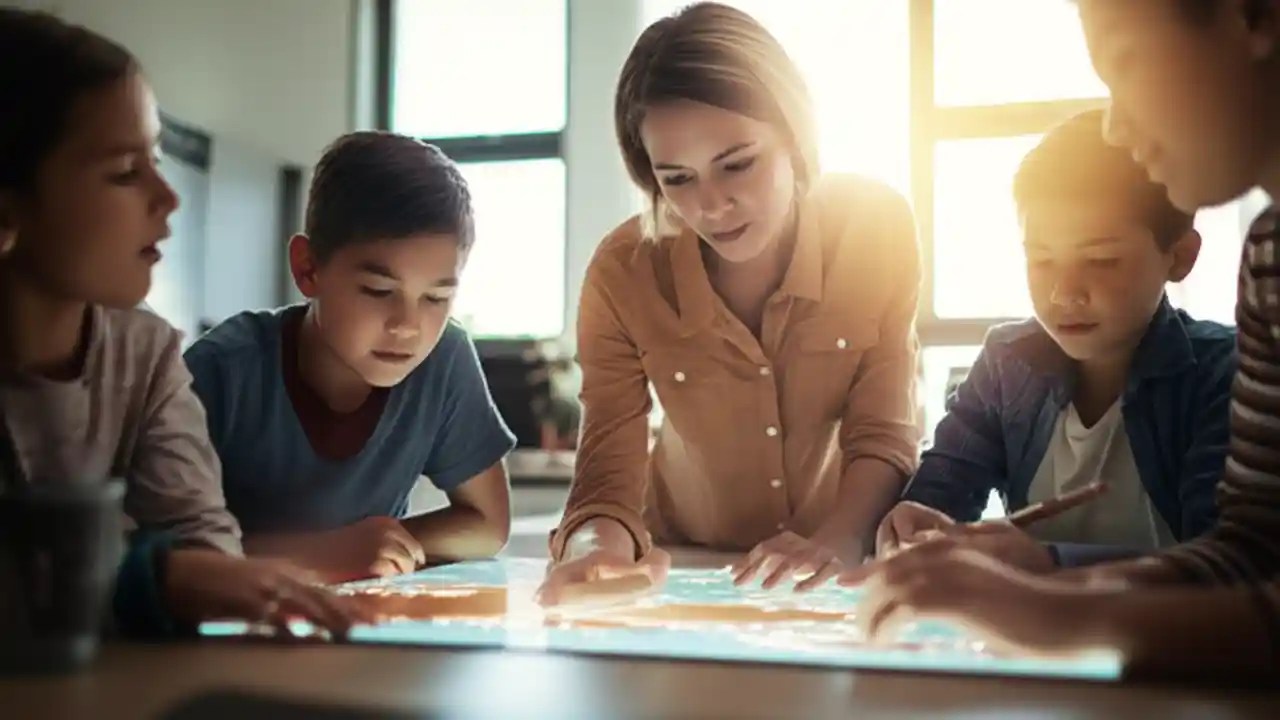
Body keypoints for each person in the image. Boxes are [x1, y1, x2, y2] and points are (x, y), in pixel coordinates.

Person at [842, 0, 1280, 682]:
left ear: (1254, 17)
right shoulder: (1267, 254)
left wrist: (1050, 602)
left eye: (1128, 66)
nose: (1116, 123)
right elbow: (1250, 556)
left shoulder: (1213, 366)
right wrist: (1020, 579)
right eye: (1040, 258)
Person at [538, 1, 921, 605]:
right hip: (688, 569)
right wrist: (597, 553)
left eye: (737, 164)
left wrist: (839, 539)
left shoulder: (874, 227)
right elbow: (608, 467)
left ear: (794, 134)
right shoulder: (623, 270)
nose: (712, 205)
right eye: (677, 179)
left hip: (834, 564)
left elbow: (885, 427)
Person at [0, 8, 364, 636]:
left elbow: (205, 548)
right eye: (123, 172)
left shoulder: (146, 354)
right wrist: (150, 578)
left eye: (159, 160)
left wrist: (184, 574)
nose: (168, 200)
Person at [876, 109, 1235, 572]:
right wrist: (916, 524)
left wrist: (1051, 560)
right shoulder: (1009, 362)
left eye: (1101, 261)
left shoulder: (1221, 375)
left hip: (1168, 636)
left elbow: (1224, 562)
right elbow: (943, 489)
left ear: (1180, 256)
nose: (1064, 293)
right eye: (1041, 260)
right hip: (1033, 635)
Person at [185, 132, 515, 584]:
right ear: (308, 268)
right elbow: (158, 549)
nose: (408, 326)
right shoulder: (222, 372)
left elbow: (488, 525)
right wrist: (322, 554)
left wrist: (384, 543)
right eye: (379, 291)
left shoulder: (444, 358)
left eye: (436, 298)